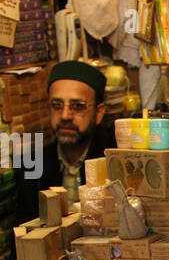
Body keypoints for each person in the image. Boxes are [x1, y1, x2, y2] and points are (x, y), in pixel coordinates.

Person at [14, 60, 112, 223]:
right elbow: (21, 234)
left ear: (99, 113)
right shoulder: (30, 165)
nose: (65, 115)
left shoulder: (115, 159)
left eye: (78, 106)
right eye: (57, 105)